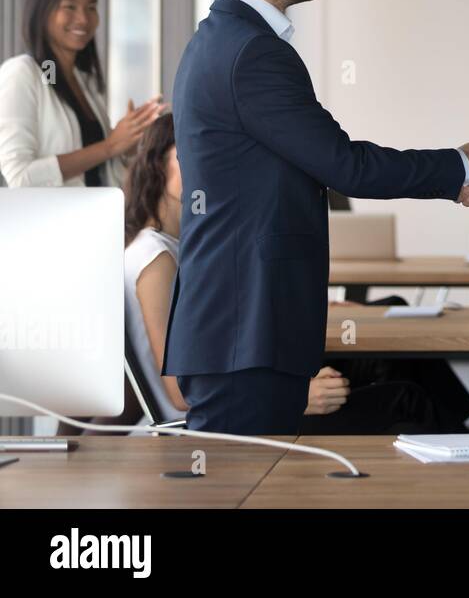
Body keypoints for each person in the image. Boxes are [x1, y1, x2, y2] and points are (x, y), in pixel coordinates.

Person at [163, 0, 469, 435]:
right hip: (244, 335)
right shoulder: (251, 52)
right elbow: (345, 165)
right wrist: (462, 166)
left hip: (243, 333)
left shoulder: (227, 42)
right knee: (246, 493)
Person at [124, 113, 440, 434]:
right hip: (223, 424)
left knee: (393, 365)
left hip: (243, 400)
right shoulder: (155, 258)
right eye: (189, 153)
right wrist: (293, 397)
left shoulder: (182, 244)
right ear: (156, 165)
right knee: (404, 399)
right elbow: (180, 391)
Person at [0, 0, 163, 188]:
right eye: (70, 7)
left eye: (91, 7)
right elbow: (19, 176)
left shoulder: (84, 81)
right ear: (41, 10)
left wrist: (127, 145)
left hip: (95, 219)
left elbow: (100, 171)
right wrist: (110, 146)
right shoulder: (21, 73)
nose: (83, 19)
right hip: (51, 221)